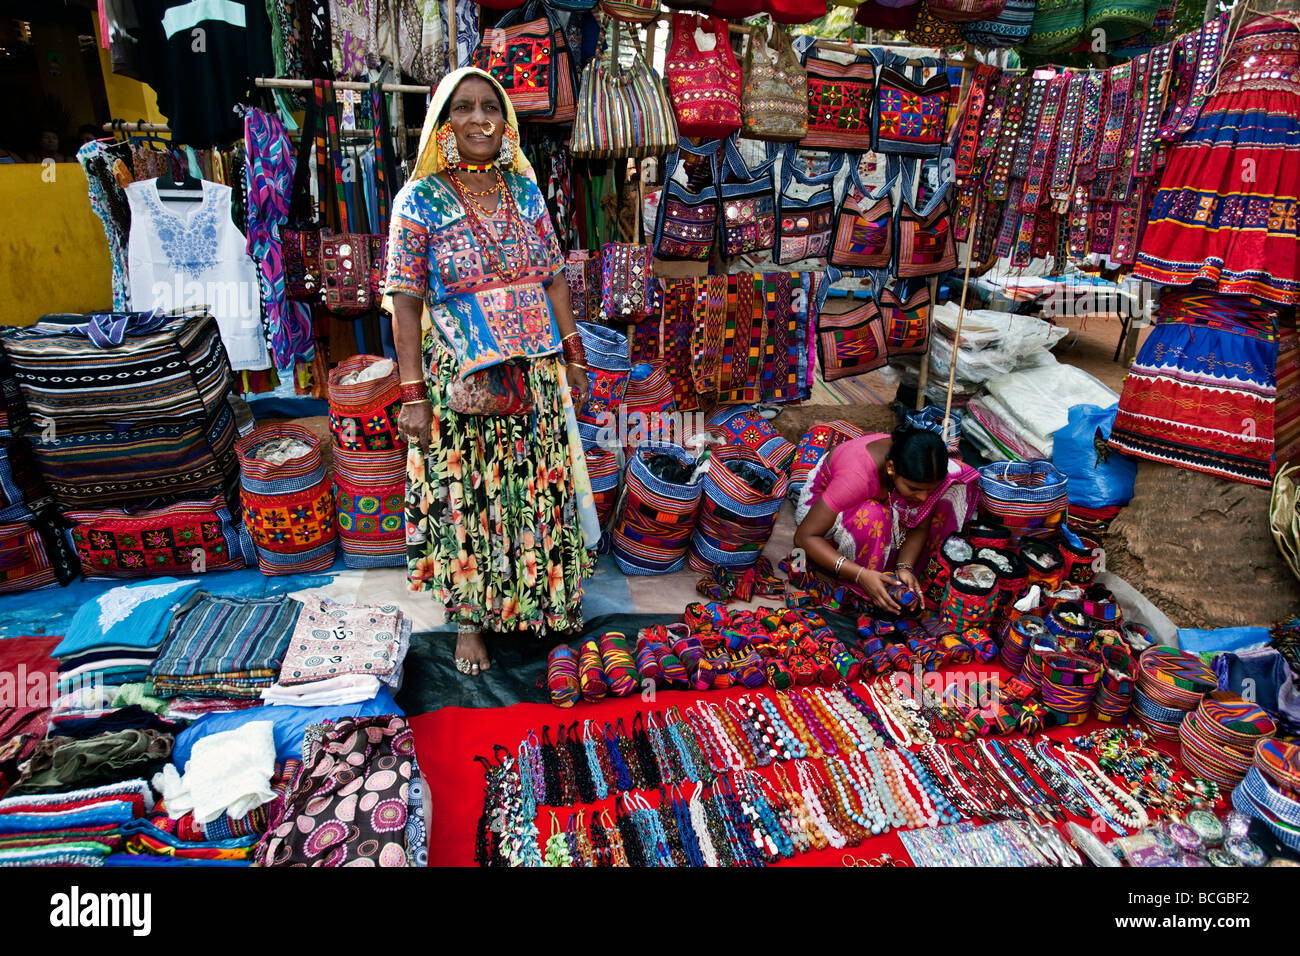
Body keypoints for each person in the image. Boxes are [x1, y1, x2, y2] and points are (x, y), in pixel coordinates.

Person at [385, 68, 598, 678]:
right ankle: (472, 621)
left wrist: (574, 354)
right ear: (443, 123)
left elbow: (554, 276)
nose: (479, 119)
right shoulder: (418, 200)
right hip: (463, 378)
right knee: (470, 499)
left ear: (505, 121)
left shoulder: (525, 192)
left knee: (538, 487)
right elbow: (404, 299)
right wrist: (412, 395)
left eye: (490, 108)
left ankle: (543, 602)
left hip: (533, 373)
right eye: (465, 108)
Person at [792, 423, 980, 613]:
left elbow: (920, 526)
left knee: (955, 482)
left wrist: (905, 567)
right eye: (914, 488)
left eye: (928, 491)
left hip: (885, 501)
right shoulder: (857, 478)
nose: (923, 498)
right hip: (822, 516)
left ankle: (897, 569)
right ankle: (862, 587)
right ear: (891, 468)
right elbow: (804, 537)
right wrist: (860, 574)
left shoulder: (914, 467)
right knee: (874, 516)